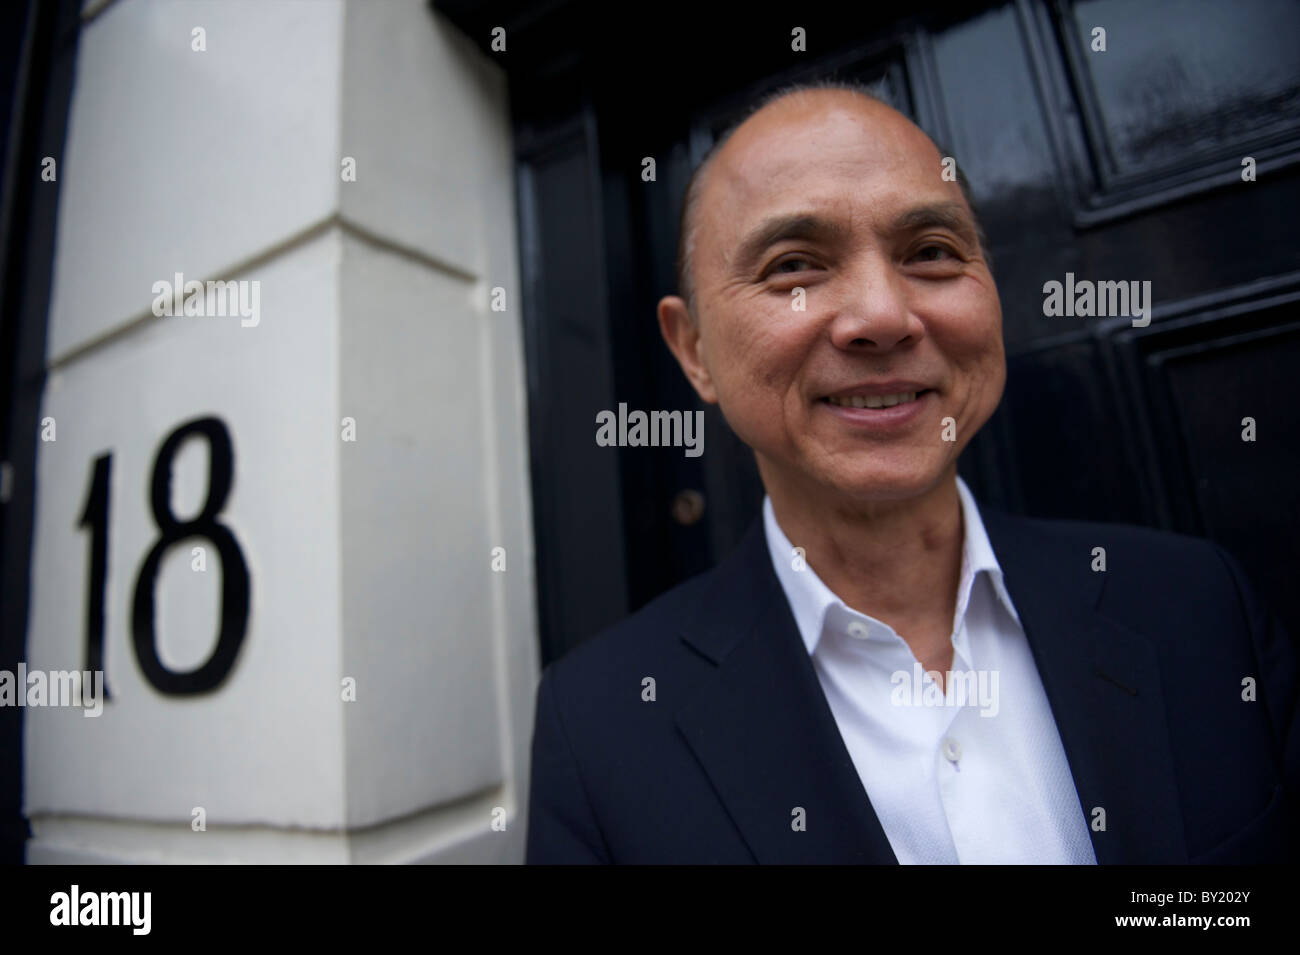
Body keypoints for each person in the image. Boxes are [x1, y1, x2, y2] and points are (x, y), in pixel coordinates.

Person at [524, 81, 1298, 864]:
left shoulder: (1198, 607)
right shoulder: (596, 730)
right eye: (794, 265)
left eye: (930, 252)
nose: (883, 315)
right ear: (693, 350)